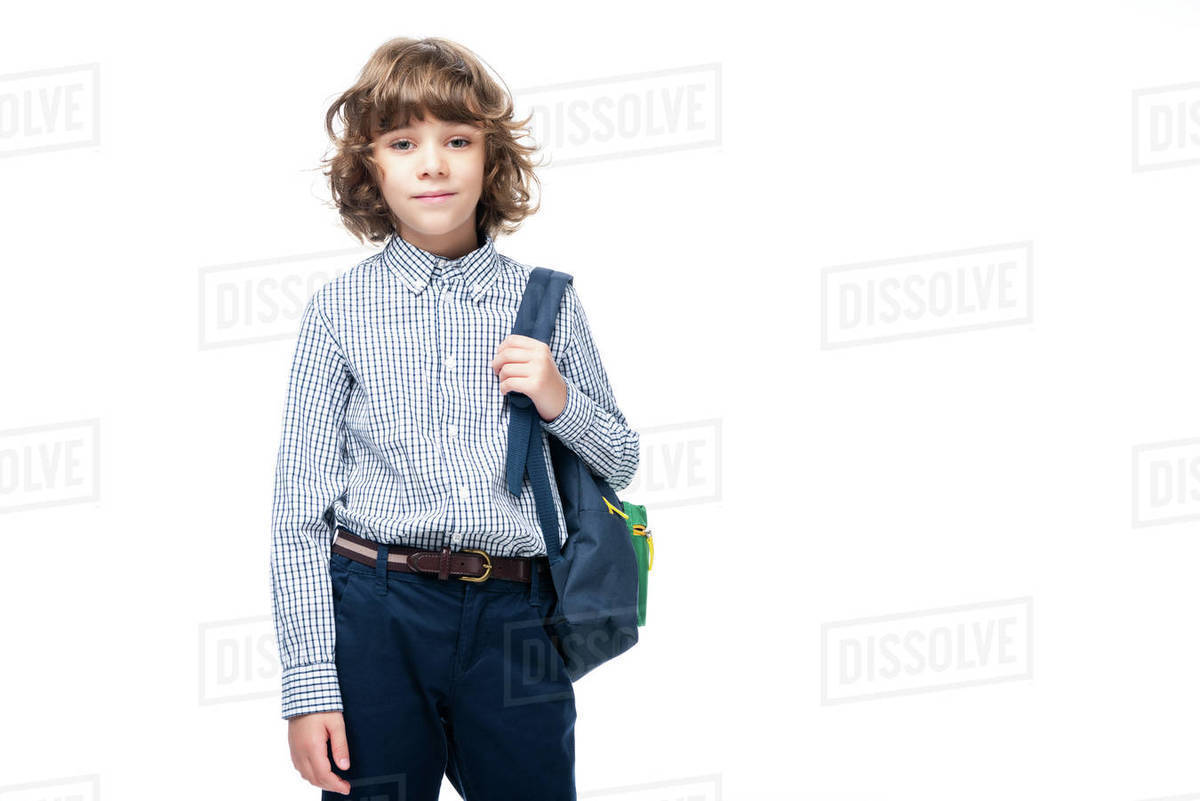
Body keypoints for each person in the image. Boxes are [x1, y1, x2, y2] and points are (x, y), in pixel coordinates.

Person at [268, 36, 640, 801]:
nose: (432, 164)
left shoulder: (547, 302)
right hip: (378, 612)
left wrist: (558, 398)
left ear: (491, 157)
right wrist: (308, 687)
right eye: (403, 143)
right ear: (370, 166)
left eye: (458, 140)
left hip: (515, 614)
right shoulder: (338, 312)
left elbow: (623, 459)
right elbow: (299, 512)